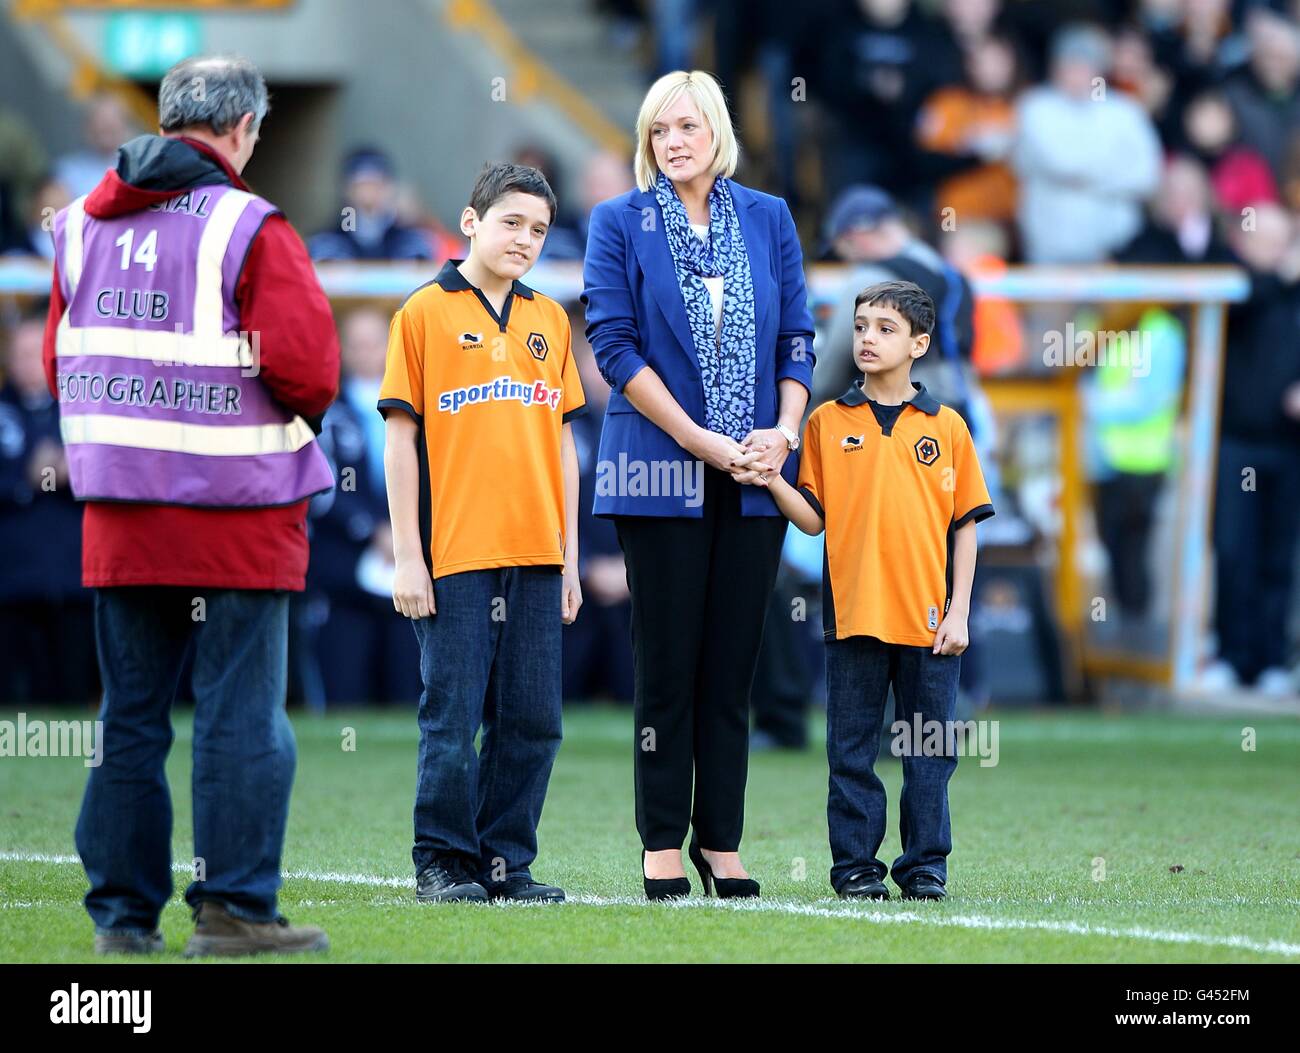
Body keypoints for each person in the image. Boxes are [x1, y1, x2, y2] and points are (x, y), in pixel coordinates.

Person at [42, 55, 338, 957]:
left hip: (121, 515)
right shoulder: (249, 224)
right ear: (244, 128)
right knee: (240, 716)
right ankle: (236, 910)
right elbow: (310, 370)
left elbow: (62, 366)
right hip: (236, 515)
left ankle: (123, 920)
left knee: (129, 718)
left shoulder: (78, 227)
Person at [582, 69, 816, 900]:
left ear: (718, 130)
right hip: (658, 468)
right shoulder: (618, 221)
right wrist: (699, 440)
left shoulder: (769, 217)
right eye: (657, 131)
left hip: (755, 472)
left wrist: (782, 431)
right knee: (668, 664)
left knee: (732, 667)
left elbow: (797, 336)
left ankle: (723, 841)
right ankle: (660, 843)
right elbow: (613, 346)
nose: (672, 142)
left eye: (685, 126)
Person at [379, 161, 586, 903]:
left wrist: (570, 555)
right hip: (454, 552)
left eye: (538, 229)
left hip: (536, 553)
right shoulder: (422, 313)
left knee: (532, 721)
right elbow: (399, 441)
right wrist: (409, 555)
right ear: (470, 221)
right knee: (452, 717)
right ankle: (441, 860)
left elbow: (563, 444)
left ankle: (506, 864)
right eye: (511, 223)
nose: (525, 239)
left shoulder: (551, 318)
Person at [758, 280, 994, 900]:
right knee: (852, 755)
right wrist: (770, 480)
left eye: (885, 329)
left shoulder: (947, 427)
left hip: (929, 624)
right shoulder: (827, 423)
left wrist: (959, 612)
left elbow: (965, 527)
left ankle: (924, 867)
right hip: (852, 616)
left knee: (928, 757)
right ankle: (856, 869)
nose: (867, 338)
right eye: (861, 326)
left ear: (919, 343)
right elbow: (811, 518)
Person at [1012, 24, 1162, 263]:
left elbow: (1146, 174)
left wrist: (1085, 177)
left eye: (1085, 65)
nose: (1078, 73)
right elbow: (1059, 162)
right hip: (1049, 245)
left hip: (1114, 247)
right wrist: (1109, 169)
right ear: (1055, 67)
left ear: (1100, 70)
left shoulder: (1125, 111)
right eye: (1070, 65)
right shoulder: (1034, 107)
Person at [309, 147, 434, 261]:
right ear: (347, 190)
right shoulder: (327, 243)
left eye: (377, 186)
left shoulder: (412, 242)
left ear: (390, 188)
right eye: (361, 186)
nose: (369, 194)